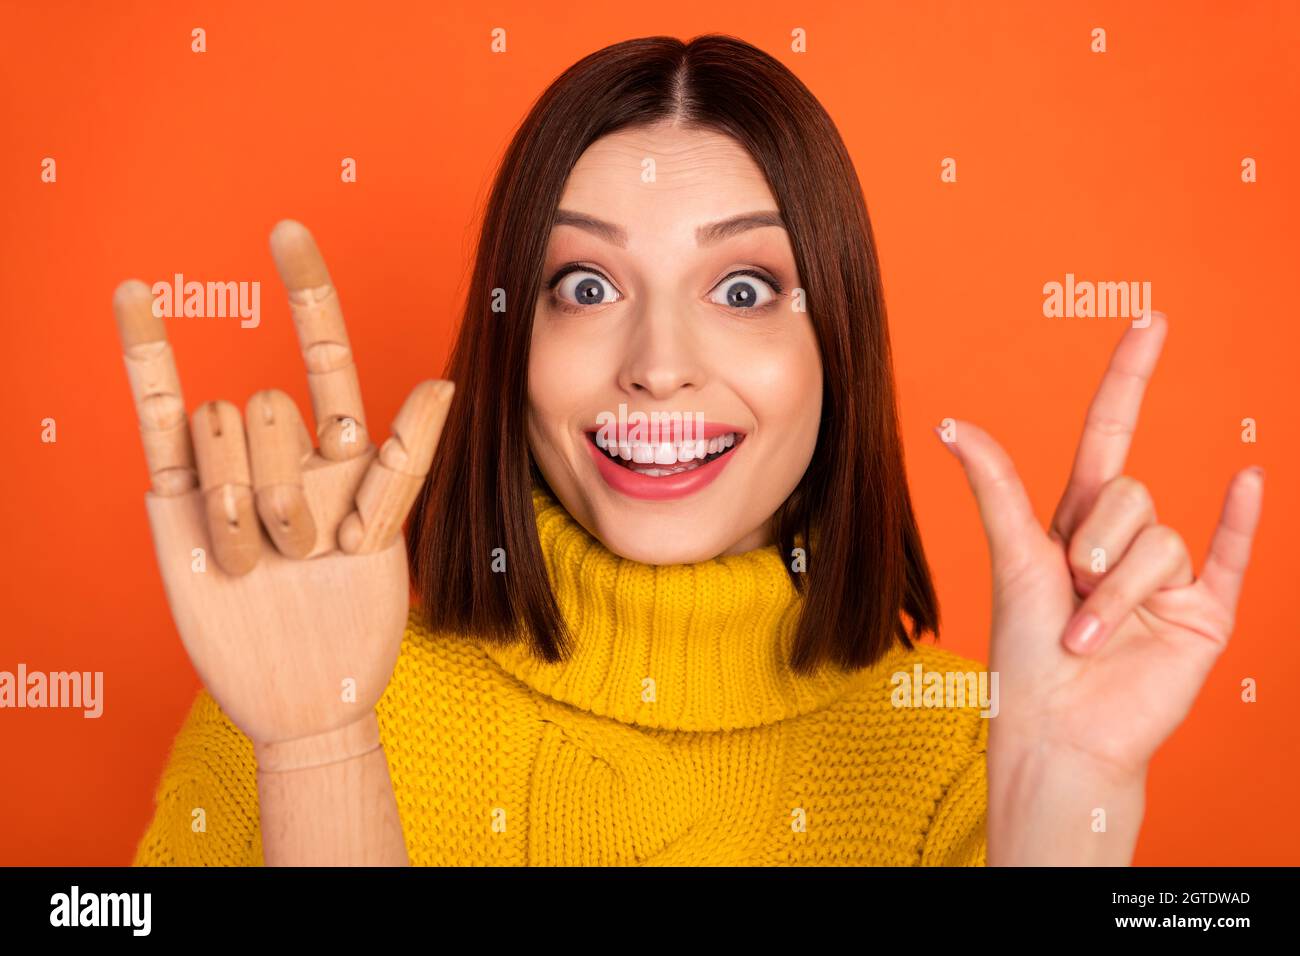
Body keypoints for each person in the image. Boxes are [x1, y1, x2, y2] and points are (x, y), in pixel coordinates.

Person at [121, 34, 1263, 867]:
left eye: (743, 288)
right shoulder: (290, 701)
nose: (658, 364)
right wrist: (321, 752)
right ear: (511, 341)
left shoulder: (973, 755)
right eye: (586, 285)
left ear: (837, 350)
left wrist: (1065, 805)